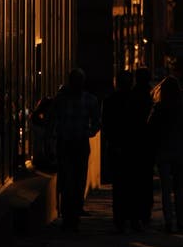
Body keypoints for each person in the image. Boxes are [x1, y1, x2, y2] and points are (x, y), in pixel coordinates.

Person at [48, 68, 101, 231]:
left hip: (69, 143)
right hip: (75, 143)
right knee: (75, 179)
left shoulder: (62, 100)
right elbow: (97, 122)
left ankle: (70, 214)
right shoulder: (88, 100)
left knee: (71, 179)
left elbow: (51, 121)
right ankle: (72, 214)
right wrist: (88, 132)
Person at [147, 75, 183, 233]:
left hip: (163, 149)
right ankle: (181, 219)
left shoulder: (159, 108)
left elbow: (150, 128)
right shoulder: (182, 108)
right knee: (180, 186)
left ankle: (168, 220)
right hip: (179, 148)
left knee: (166, 188)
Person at [101, 69, 139, 232]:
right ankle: (133, 219)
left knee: (119, 187)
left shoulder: (110, 100)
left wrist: (113, 143)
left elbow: (106, 125)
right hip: (132, 148)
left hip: (118, 147)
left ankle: (120, 219)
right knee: (133, 186)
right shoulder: (136, 100)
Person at [130, 67, 155, 227]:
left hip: (133, 143)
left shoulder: (131, 96)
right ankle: (145, 213)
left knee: (134, 179)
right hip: (148, 143)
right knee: (146, 179)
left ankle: (135, 213)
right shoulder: (152, 97)